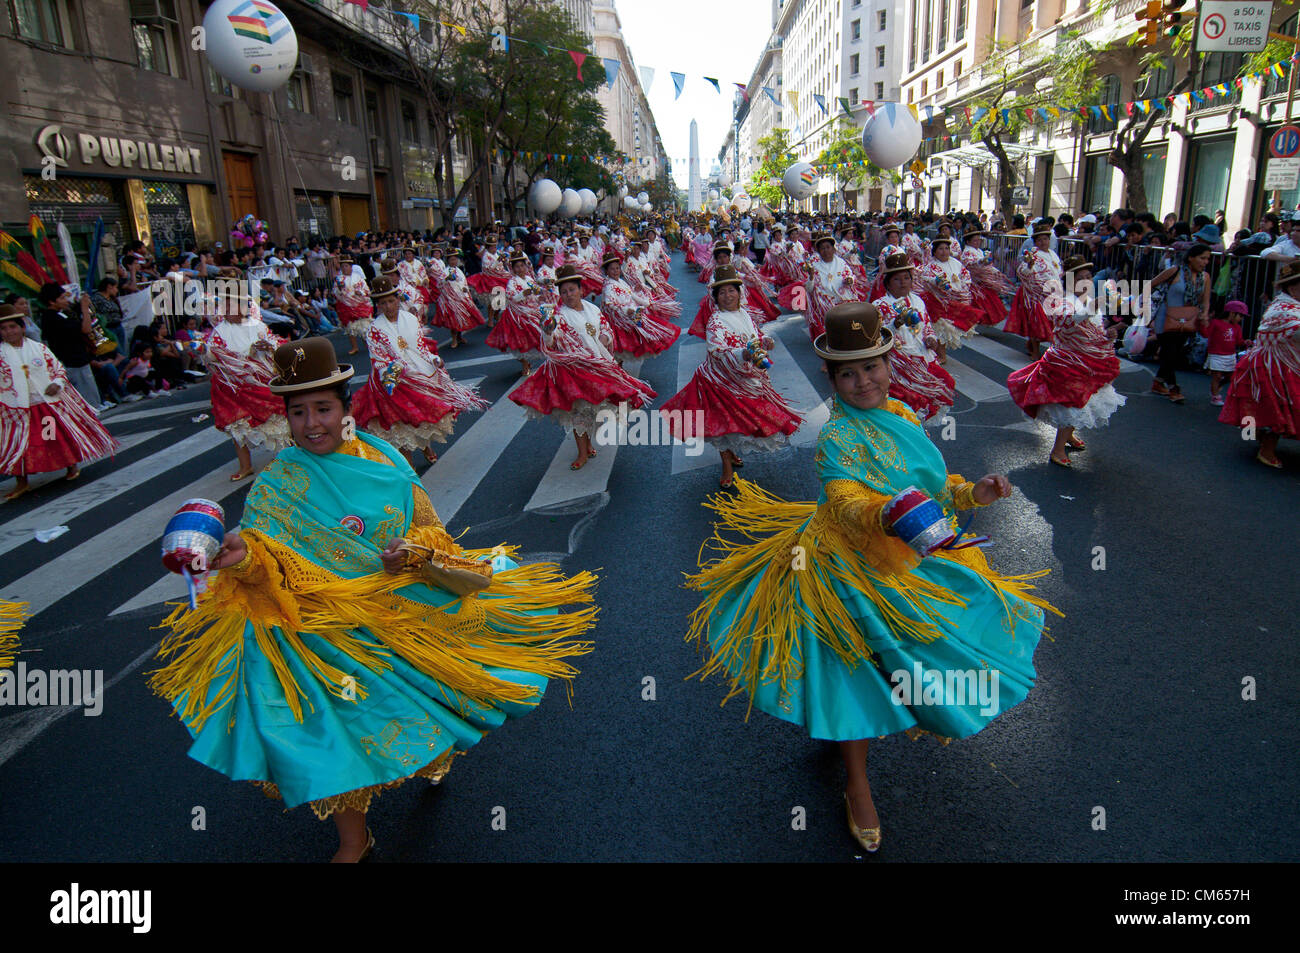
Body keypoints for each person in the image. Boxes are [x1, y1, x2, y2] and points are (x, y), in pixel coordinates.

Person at [150, 336, 596, 861]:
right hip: (317, 621)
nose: (312, 423)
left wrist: (404, 556)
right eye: (298, 412)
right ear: (285, 418)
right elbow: (265, 548)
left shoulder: (384, 458)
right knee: (335, 726)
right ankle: (353, 838)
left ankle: (430, 750)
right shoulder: (278, 480)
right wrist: (240, 557)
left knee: (416, 704)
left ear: (345, 407)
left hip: (394, 607)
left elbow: (432, 534)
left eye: (323, 408)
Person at [683, 301, 1060, 853]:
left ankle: (869, 735)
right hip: (847, 566)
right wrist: (884, 513)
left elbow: (931, 487)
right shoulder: (836, 438)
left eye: (871, 367)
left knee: (929, 649)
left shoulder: (904, 414)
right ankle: (857, 785)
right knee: (853, 672)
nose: (863, 382)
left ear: (889, 364)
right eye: (848, 373)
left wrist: (969, 494)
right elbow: (844, 500)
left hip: (909, 555)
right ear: (831, 380)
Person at [659, 265, 800, 489]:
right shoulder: (715, 322)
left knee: (743, 423)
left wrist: (764, 342)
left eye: (731, 291)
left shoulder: (745, 314)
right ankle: (726, 462)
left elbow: (754, 338)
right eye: (722, 292)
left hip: (746, 378)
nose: (727, 296)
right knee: (721, 426)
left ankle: (731, 456)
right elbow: (717, 351)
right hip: (720, 382)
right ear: (716, 297)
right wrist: (742, 354)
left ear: (739, 292)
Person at [510, 265, 656, 471]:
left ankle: (588, 445)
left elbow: (605, 327)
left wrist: (605, 337)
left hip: (596, 366)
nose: (568, 295)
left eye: (572, 290)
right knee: (578, 411)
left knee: (591, 410)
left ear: (580, 290)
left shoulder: (592, 309)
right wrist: (548, 332)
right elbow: (550, 343)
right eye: (564, 291)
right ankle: (582, 452)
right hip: (573, 371)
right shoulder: (559, 316)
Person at [352, 275, 486, 466]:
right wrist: (390, 375)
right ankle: (409, 463)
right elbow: (379, 359)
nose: (389, 306)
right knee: (401, 422)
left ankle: (425, 446)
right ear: (378, 306)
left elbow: (420, 348)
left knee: (422, 417)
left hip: (420, 372)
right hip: (395, 380)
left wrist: (433, 359)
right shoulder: (374, 329)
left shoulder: (410, 319)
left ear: (398, 300)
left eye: (391, 300)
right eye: (383, 303)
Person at [1006, 257, 1127, 468]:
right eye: (1080, 278)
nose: (1086, 281)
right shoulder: (1061, 301)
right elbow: (1068, 322)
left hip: (1089, 363)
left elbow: (1095, 331)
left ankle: (1069, 437)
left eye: (1089, 277)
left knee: (1087, 402)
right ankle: (1058, 449)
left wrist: (1109, 334)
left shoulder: (1090, 302)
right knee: (1074, 405)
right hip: (1066, 363)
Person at [1, 303, 118, 501]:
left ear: (22, 328)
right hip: (16, 409)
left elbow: (58, 369)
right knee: (20, 443)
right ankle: (22, 481)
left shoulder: (39, 348)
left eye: (12, 327)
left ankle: (70, 465)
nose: (8, 331)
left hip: (46, 404)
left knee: (52, 437)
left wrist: (56, 383)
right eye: (3, 329)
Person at [205, 288, 292, 481]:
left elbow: (275, 342)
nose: (228, 310)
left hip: (260, 383)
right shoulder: (220, 331)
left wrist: (268, 347)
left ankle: (288, 460)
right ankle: (246, 466)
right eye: (225, 306)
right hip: (234, 388)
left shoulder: (257, 325)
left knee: (277, 421)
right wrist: (247, 356)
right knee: (238, 426)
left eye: (232, 306)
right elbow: (212, 355)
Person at [1219, 261, 1300, 468]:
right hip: (1273, 367)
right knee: (1279, 407)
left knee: (1272, 408)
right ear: (1292, 287)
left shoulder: (1287, 305)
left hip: (1276, 364)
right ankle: (1266, 450)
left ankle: (1259, 438)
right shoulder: (1283, 310)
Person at [871, 253, 956, 421]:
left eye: (906, 278)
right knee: (908, 403)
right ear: (887, 283)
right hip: (899, 363)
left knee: (943, 385)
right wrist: (894, 324)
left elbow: (927, 326)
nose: (903, 282)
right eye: (897, 279)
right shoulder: (879, 306)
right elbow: (877, 338)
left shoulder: (918, 301)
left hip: (922, 356)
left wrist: (931, 339)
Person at [1149, 244, 1212, 405]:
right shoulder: (1174, 271)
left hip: (1188, 319)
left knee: (1174, 353)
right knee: (1169, 351)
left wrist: (1204, 314)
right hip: (1166, 316)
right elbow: (1151, 284)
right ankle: (1173, 387)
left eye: (1207, 259)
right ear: (1191, 257)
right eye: (1202, 258)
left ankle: (1158, 381)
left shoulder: (1205, 277)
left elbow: (1205, 300)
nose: (1205, 262)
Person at [37, 283, 106, 410]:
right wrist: (85, 308)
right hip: (73, 362)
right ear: (51, 302)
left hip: (77, 359)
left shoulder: (61, 314)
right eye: (62, 298)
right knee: (89, 402)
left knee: (90, 396)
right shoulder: (51, 318)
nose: (66, 301)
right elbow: (85, 329)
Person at [916, 237, 980, 361]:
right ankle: (941, 355)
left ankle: (940, 354)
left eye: (946, 248)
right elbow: (926, 278)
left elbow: (965, 275)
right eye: (940, 249)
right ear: (934, 251)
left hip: (954, 299)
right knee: (939, 327)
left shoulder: (956, 263)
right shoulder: (931, 266)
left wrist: (961, 288)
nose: (944, 251)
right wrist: (938, 283)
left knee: (948, 328)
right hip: (936, 302)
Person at [486, 253, 546, 376]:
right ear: (513, 268)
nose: (520, 269)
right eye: (517, 267)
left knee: (537, 336)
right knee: (517, 343)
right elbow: (511, 297)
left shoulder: (529, 279)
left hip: (531, 312)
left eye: (522, 266)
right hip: (517, 316)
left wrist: (540, 297)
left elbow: (535, 295)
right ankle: (524, 363)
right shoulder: (512, 282)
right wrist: (524, 293)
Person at [1007, 225, 1061, 358]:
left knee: (1051, 323)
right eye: (1040, 240)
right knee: (1037, 322)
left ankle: (1035, 346)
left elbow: (1058, 272)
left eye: (1045, 239)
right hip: (1036, 295)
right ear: (1035, 242)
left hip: (1052, 293)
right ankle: (1035, 350)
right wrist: (1030, 266)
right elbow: (1022, 271)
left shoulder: (1053, 254)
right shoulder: (1032, 255)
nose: (1043, 242)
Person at [1203, 300, 1249, 406]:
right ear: (1232, 313)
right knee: (1217, 376)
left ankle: (1216, 388)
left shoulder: (1237, 327)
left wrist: (1245, 342)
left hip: (1230, 355)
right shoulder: (1216, 323)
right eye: (1240, 316)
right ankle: (1215, 396)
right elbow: (1206, 334)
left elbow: (1239, 341)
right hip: (1216, 354)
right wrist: (1202, 325)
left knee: (1231, 376)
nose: (1241, 319)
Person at [332, 254, 374, 356]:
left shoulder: (358, 278)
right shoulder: (339, 279)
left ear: (351, 267)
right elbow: (335, 292)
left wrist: (361, 293)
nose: (344, 268)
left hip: (360, 305)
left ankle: (369, 346)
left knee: (364, 328)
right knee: (350, 329)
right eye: (343, 266)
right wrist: (340, 289)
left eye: (346, 266)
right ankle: (354, 347)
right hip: (347, 306)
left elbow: (367, 290)